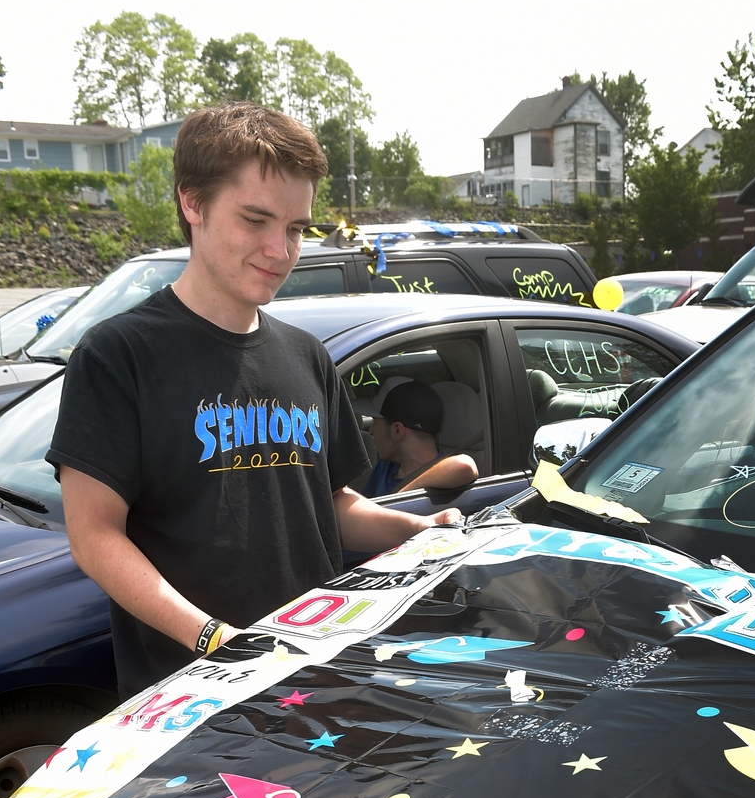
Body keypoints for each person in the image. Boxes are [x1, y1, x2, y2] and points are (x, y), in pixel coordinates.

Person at [47, 102, 458, 698]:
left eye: (295, 228)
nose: (281, 249)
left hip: (311, 675)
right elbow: (94, 537)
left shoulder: (307, 356)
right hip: (189, 694)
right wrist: (217, 640)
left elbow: (331, 507)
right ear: (193, 203)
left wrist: (419, 529)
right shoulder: (118, 355)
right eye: (255, 220)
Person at [362, 380, 478, 500]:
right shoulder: (385, 467)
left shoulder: (447, 476)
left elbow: (464, 466)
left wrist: (399, 498)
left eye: (375, 421)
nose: (371, 430)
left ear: (397, 430)